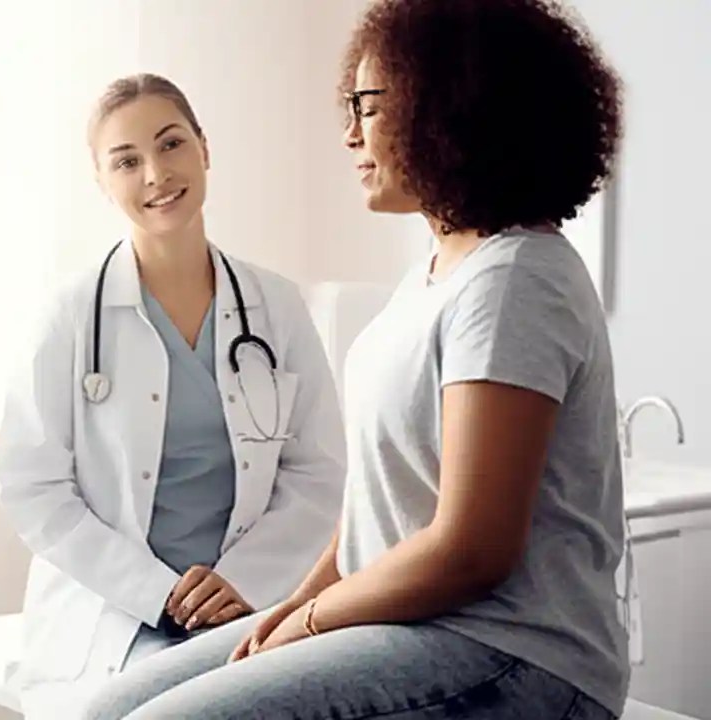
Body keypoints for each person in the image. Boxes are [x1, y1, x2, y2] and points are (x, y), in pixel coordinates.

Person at [84, 1, 628, 718]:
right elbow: (382, 497)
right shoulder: (435, 276)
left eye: (368, 106)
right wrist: (303, 600)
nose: (349, 134)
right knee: (103, 709)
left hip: (517, 654)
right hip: (408, 625)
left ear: (448, 107)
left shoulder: (516, 279)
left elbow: (473, 549)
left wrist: (311, 623)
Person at [0, 73, 346, 719]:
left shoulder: (277, 305)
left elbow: (317, 472)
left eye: (171, 144)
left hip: (251, 597)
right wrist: (156, 592)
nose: (156, 174)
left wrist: (242, 581)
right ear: (102, 182)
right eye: (127, 161)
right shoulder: (70, 315)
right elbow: (33, 487)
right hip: (118, 612)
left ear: (204, 150)